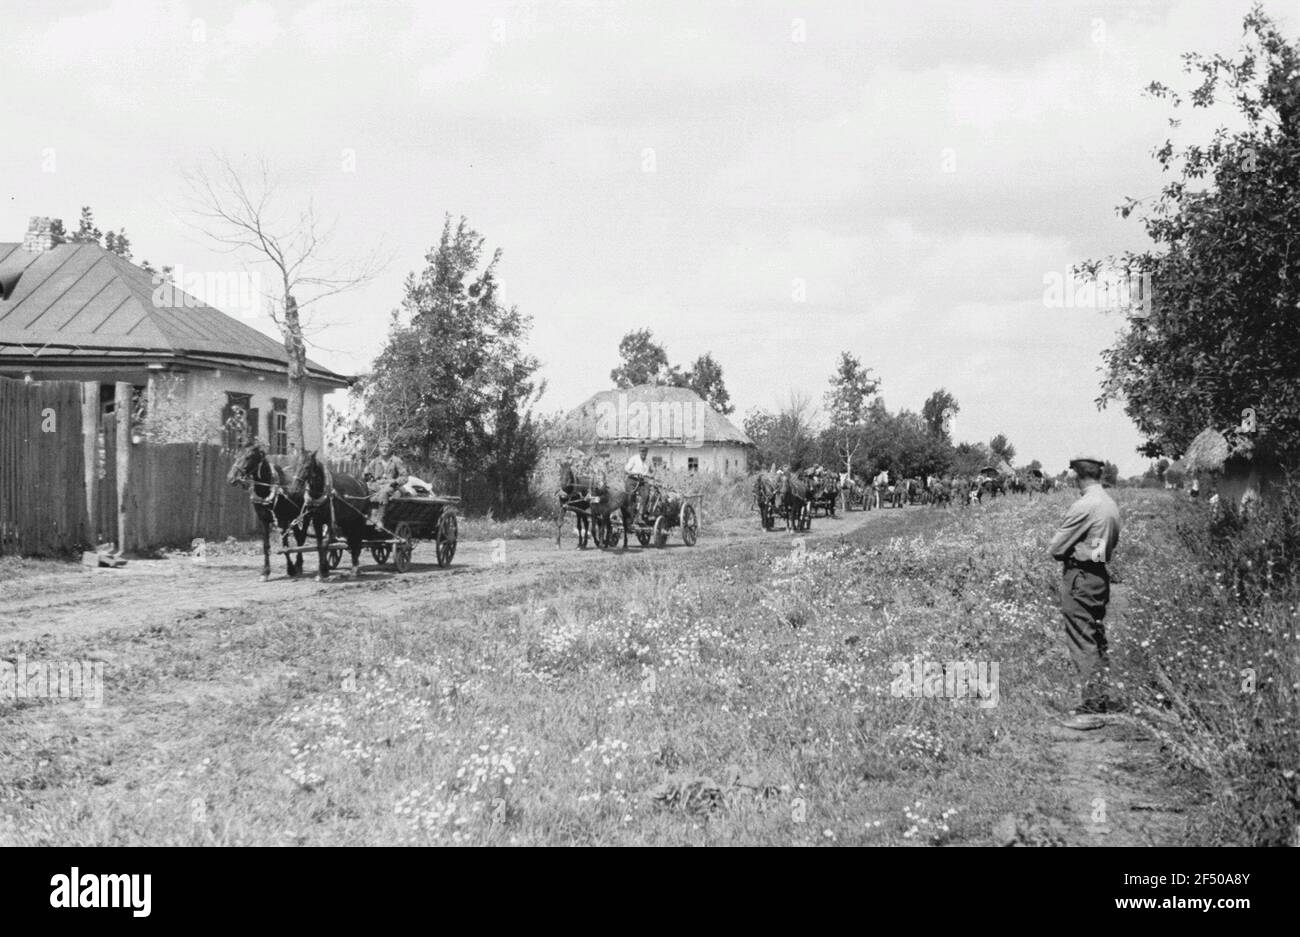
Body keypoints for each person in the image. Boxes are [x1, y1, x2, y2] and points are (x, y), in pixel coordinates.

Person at [1048, 453, 1122, 730]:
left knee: (1082, 639)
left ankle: (1091, 707)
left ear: (1076, 475)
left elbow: (1056, 548)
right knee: (1097, 636)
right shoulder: (1109, 502)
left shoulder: (1085, 505)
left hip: (1080, 576)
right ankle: (1101, 698)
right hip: (1099, 575)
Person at [363, 438, 409, 527]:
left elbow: (404, 476)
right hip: (378, 484)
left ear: (390, 449)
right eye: (382, 447)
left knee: (384, 492)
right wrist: (368, 477)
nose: (384, 449)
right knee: (367, 491)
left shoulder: (396, 461)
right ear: (379, 449)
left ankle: (380, 519)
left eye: (386, 447)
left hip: (392, 486)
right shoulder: (375, 461)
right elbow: (366, 472)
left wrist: (396, 482)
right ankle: (370, 516)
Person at [624, 445, 654, 518]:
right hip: (632, 480)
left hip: (643, 482)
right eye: (642, 451)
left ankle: (640, 514)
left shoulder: (649, 460)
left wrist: (651, 475)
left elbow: (653, 470)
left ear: (647, 452)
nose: (643, 453)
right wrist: (635, 473)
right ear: (639, 452)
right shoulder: (634, 459)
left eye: (645, 452)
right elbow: (626, 469)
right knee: (630, 495)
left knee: (646, 495)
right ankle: (629, 513)